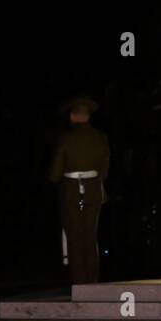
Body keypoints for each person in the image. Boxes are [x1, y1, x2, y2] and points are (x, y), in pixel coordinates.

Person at [48, 94, 109, 286]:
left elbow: (55, 174)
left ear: (73, 116)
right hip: (93, 190)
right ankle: (92, 281)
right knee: (90, 237)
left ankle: (78, 282)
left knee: (74, 237)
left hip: (71, 192)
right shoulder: (100, 138)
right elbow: (104, 169)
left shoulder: (66, 138)